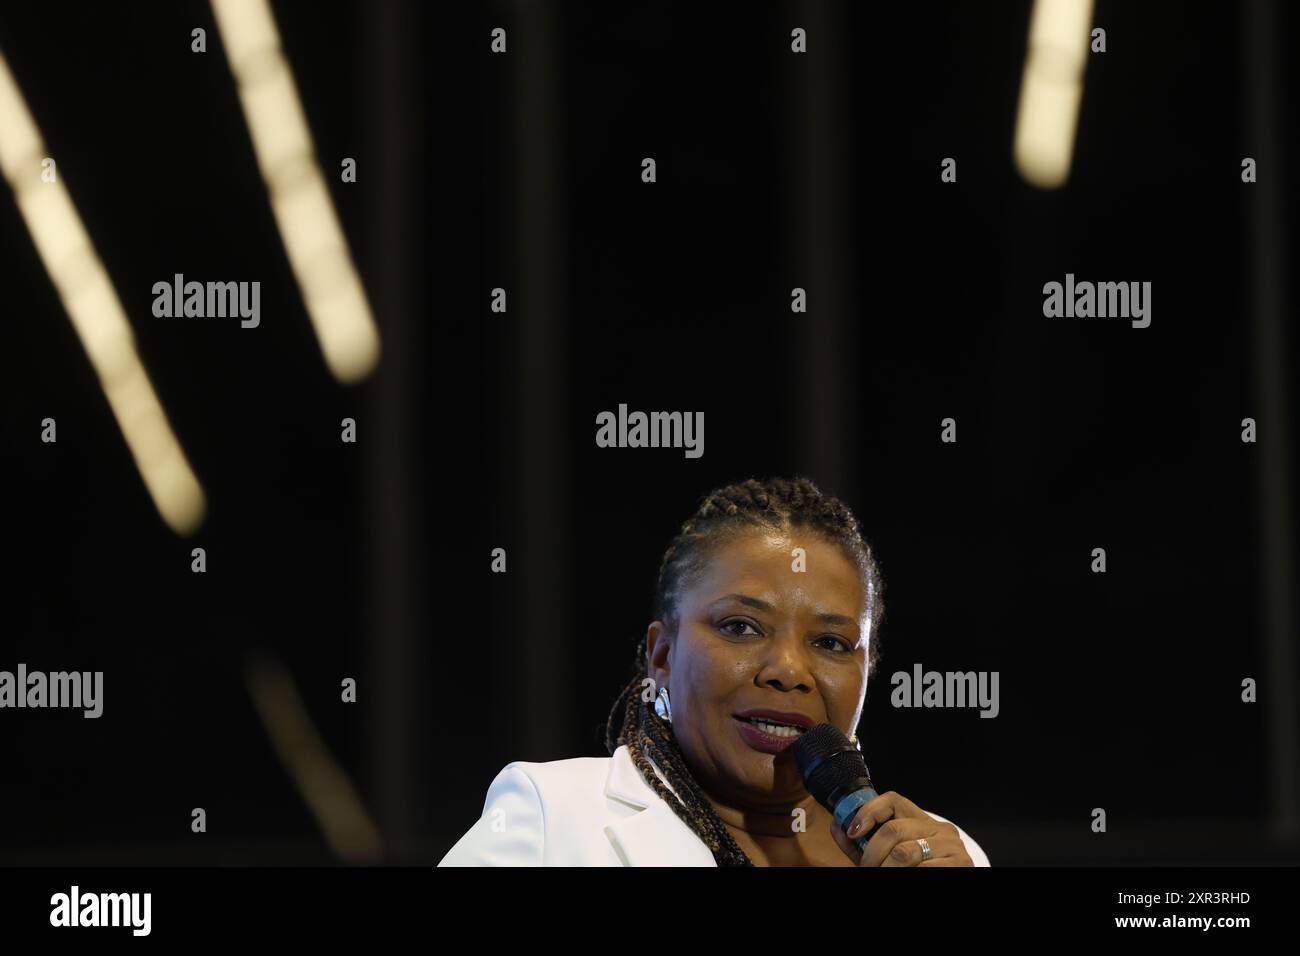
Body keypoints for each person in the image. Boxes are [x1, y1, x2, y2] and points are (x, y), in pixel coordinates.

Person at [440, 476, 990, 866]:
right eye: (741, 627)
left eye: (830, 641)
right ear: (662, 656)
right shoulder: (552, 820)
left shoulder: (937, 853)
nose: (788, 670)